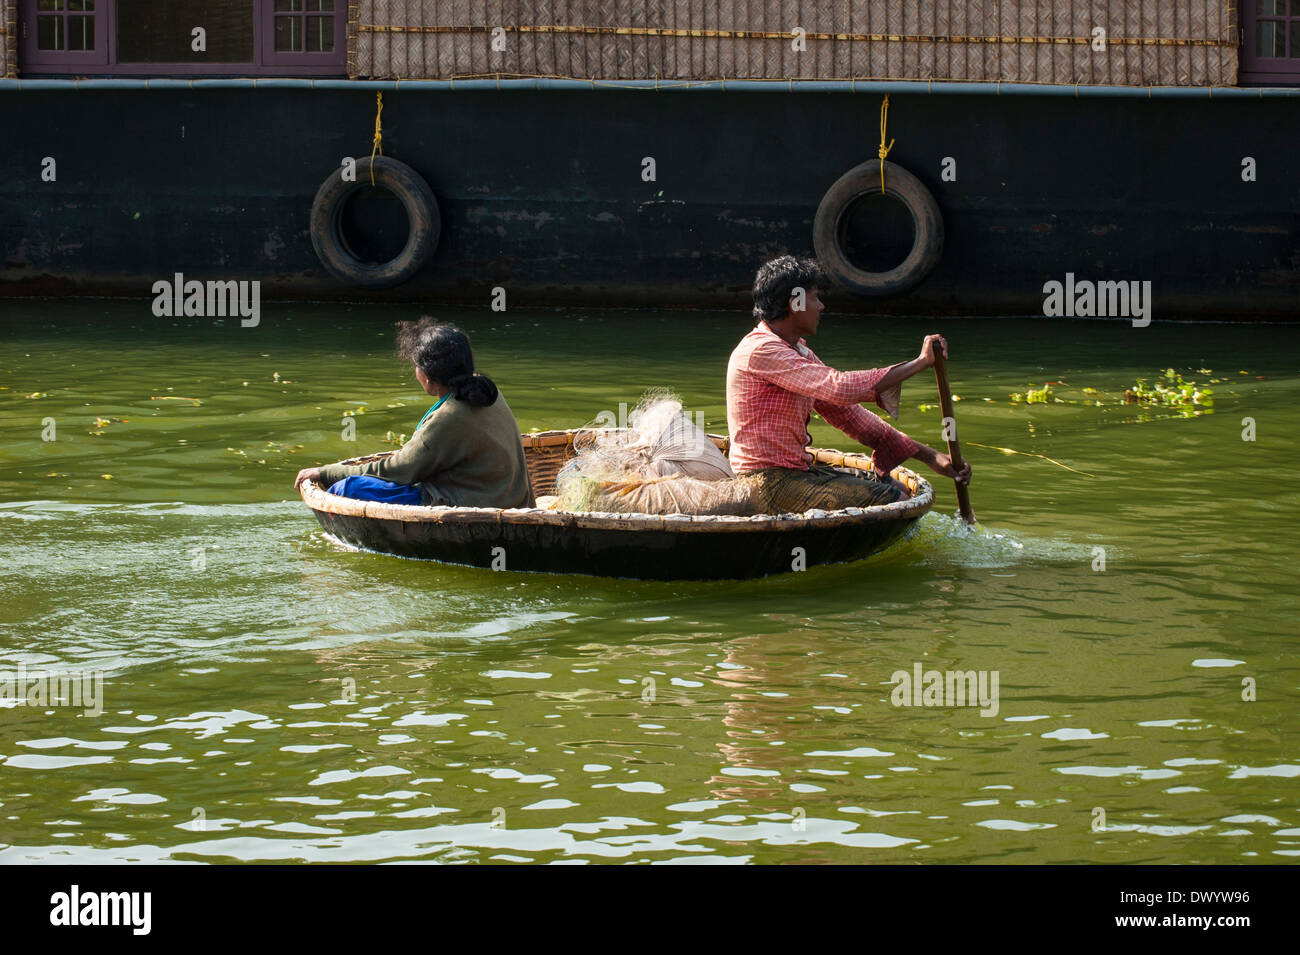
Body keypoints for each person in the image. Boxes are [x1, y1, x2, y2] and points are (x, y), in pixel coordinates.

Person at [726, 255, 971, 514]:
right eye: (815, 297)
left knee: (897, 487)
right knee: (895, 499)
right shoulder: (761, 350)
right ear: (795, 302)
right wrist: (919, 363)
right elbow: (839, 388)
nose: (820, 306)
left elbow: (850, 416)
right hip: (766, 482)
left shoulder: (796, 352)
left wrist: (930, 456)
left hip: (793, 474)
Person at [293, 318, 535, 509]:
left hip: (478, 504)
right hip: (510, 498)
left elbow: (396, 471)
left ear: (427, 375)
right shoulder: (485, 389)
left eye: (416, 366)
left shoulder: (448, 418)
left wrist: (326, 473)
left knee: (348, 488)